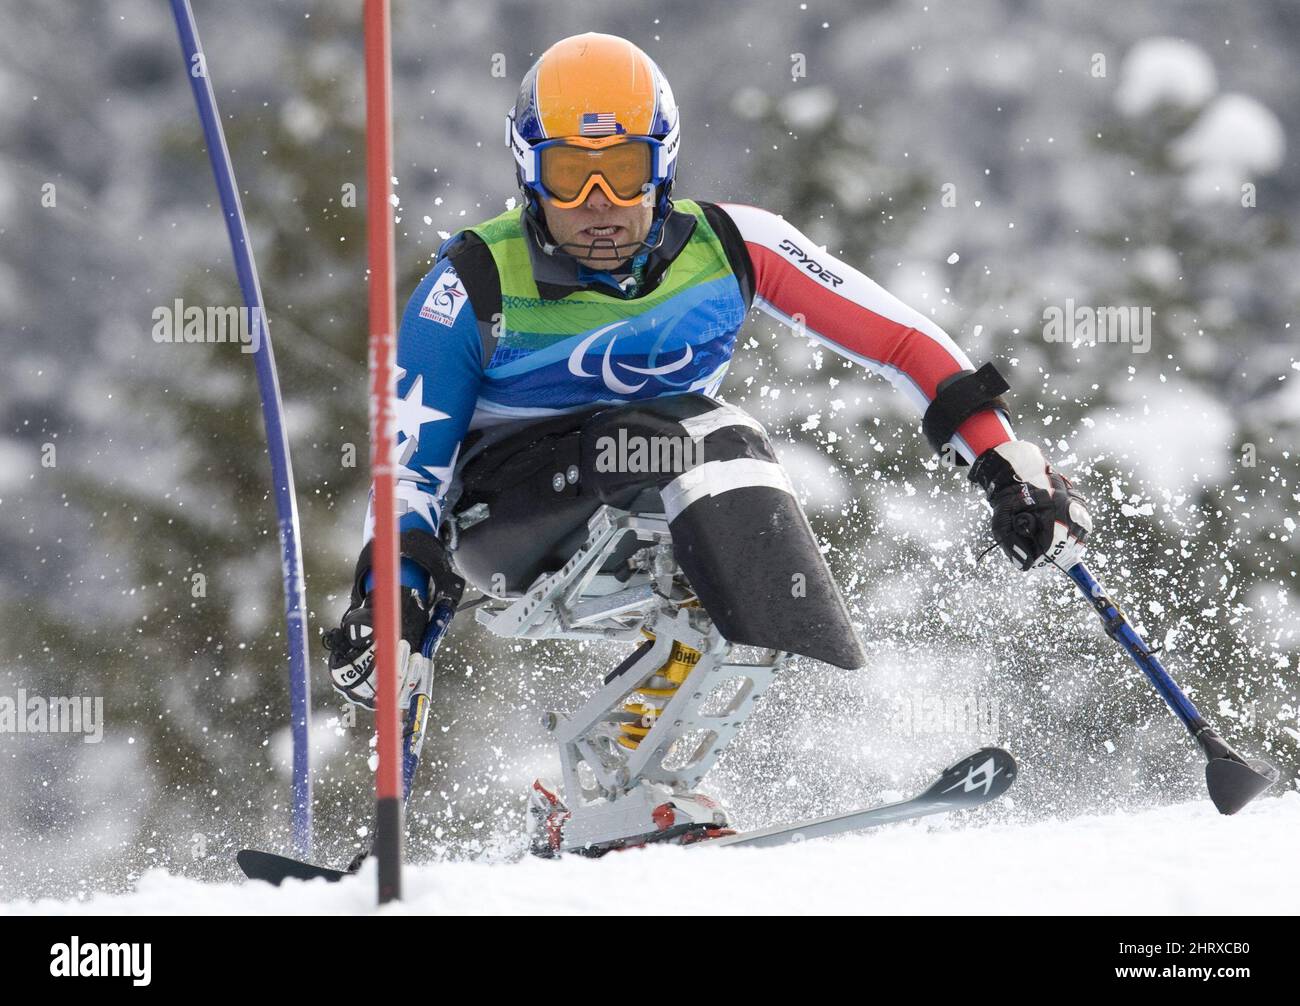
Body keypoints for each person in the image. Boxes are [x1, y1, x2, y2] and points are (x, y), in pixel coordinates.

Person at [322, 32, 1091, 846]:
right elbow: (405, 472)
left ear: (662, 165)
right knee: (711, 439)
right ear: (526, 172)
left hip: (653, 492)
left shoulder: (733, 246)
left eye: (621, 171)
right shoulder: (469, 285)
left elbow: (899, 343)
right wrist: (394, 596)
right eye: (565, 174)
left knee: (728, 565)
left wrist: (1002, 458)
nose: (596, 200)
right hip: (505, 521)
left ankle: (613, 792)